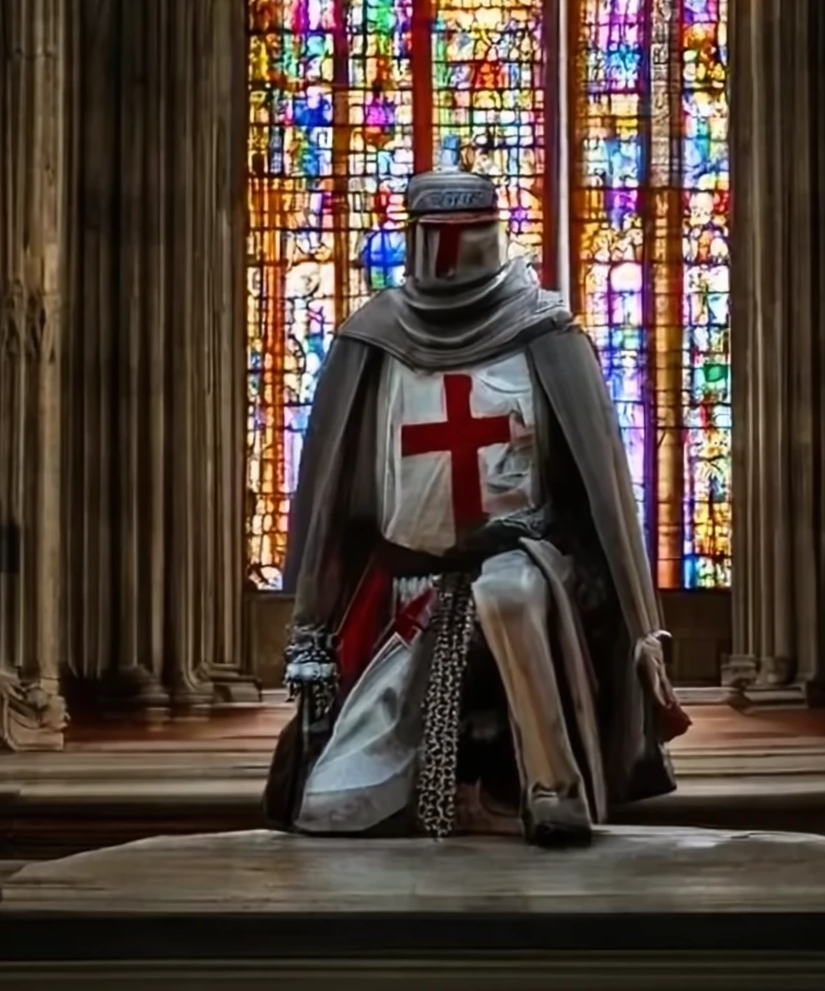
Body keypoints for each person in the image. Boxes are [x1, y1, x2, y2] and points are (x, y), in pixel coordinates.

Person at [263, 169, 691, 848]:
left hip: (525, 564)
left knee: (510, 593)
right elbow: (332, 496)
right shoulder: (372, 339)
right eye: (438, 235)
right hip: (409, 590)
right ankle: (455, 791)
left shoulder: (544, 331)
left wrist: (633, 624)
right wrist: (313, 633)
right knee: (337, 807)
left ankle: (552, 787)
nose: (452, 250)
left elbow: (598, 490)